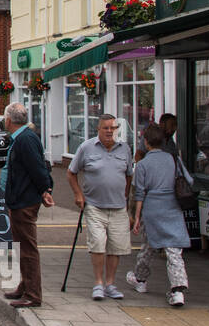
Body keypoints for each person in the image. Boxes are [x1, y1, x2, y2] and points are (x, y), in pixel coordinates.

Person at [67, 113, 133, 300]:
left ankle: (110, 284)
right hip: (94, 205)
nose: (109, 131)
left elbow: (129, 175)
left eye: (113, 128)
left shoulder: (124, 149)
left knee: (116, 247)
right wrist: (78, 194)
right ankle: (98, 283)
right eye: (106, 128)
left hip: (119, 206)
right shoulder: (86, 148)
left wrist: (126, 197)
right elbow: (71, 173)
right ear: (99, 129)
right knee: (97, 244)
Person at [129, 122, 193, 307]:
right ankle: (178, 289)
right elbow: (189, 180)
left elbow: (139, 194)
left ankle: (140, 279)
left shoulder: (142, 165)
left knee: (149, 246)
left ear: (146, 142)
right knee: (174, 249)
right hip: (172, 207)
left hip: (152, 209)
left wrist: (136, 217)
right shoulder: (173, 159)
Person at [1, 103, 55, 308]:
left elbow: (38, 169)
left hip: (24, 201)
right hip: (19, 199)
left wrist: (46, 191)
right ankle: (24, 286)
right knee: (21, 247)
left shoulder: (25, 140)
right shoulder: (24, 138)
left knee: (27, 249)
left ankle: (33, 295)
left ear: (8, 120)